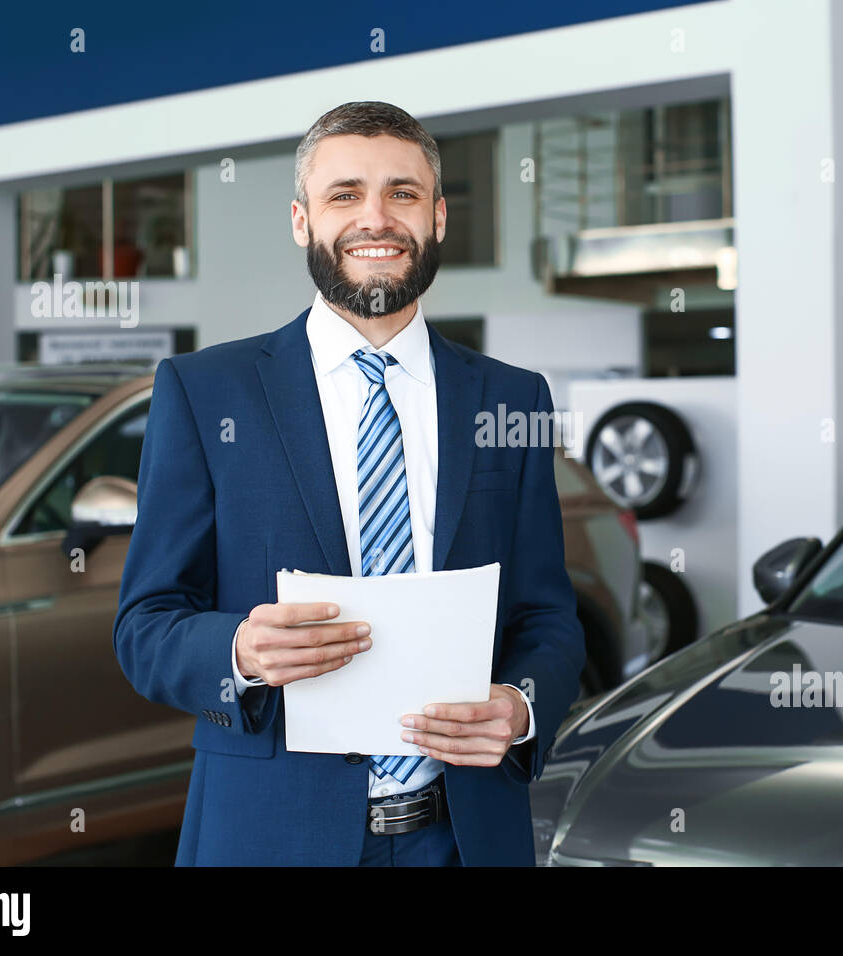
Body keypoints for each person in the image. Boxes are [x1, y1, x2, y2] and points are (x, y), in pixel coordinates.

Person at [113, 101, 585, 866]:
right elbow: (145, 626)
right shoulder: (207, 392)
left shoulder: (512, 398)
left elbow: (548, 617)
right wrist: (239, 648)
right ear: (302, 220)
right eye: (344, 195)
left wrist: (521, 706)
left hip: (464, 836)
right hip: (270, 837)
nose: (376, 218)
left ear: (436, 218)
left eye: (402, 194)